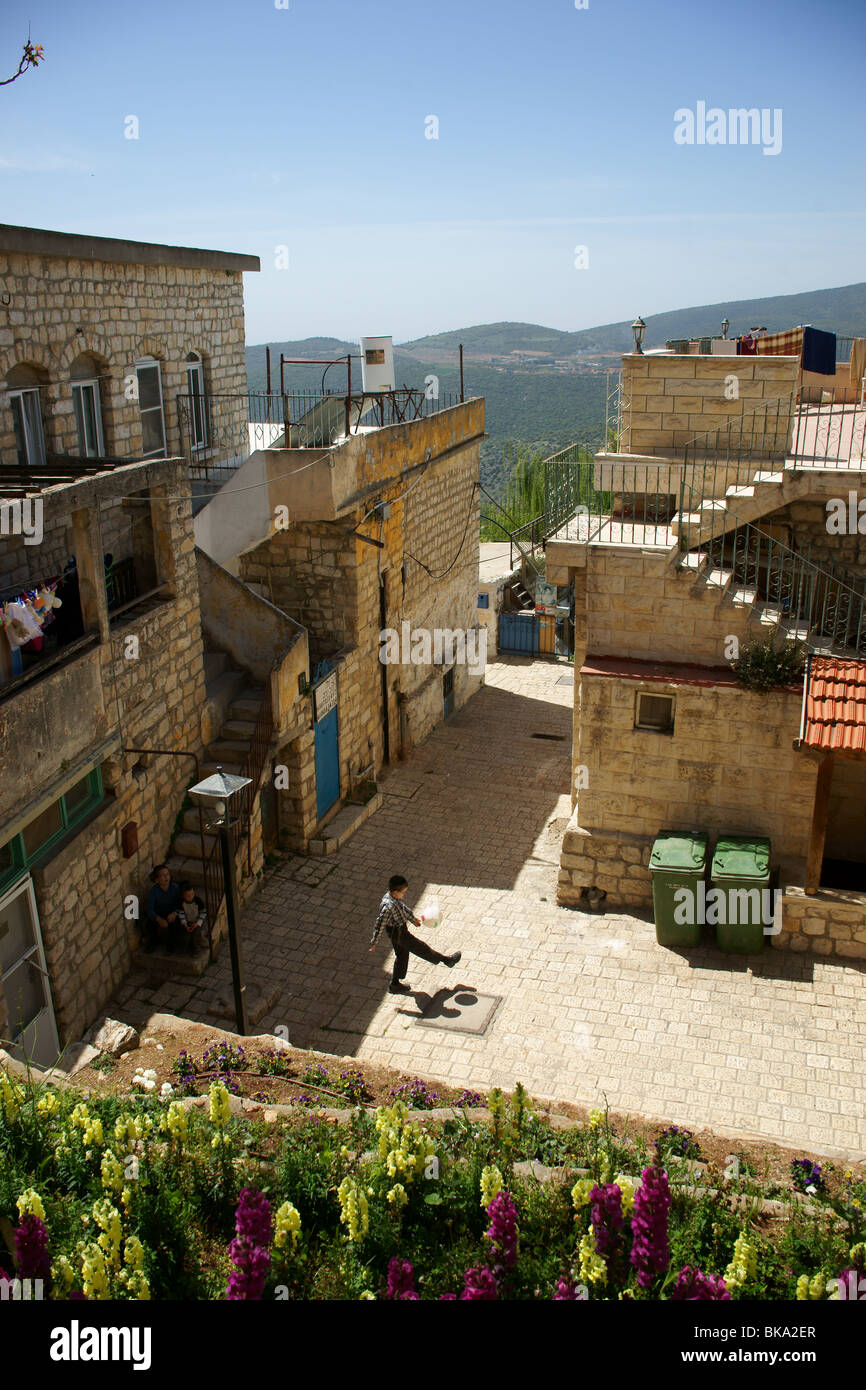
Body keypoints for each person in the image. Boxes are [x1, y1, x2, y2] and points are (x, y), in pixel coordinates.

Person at [369, 874, 460, 994]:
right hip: (399, 934)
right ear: (395, 892)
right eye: (403, 892)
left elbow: (403, 910)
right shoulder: (387, 907)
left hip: (400, 931)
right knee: (422, 948)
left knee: (402, 956)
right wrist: (374, 942)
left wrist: (413, 920)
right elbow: (380, 924)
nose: (404, 894)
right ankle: (447, 960)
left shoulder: (393, 898)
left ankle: (395, 985)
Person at [144, 864, 182, 953]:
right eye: (163, 875)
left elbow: (181, 904)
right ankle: (154, 941)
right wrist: (159, 919)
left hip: (172, 912)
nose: (166, 877)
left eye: (167, 874)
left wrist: (174, 913)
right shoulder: (154, 891)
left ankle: (171, 944)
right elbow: (150, 909)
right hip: (160, 913)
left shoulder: (175, 888)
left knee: (175, 923)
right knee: (149, 924)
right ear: (157, 879)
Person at [177, 881, 208, 955]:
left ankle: (196, 950)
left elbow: (203, 913)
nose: (191, 897)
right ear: (182, 896)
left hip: (197, 922)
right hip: (187, 923)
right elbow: (181, 915)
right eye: (188, 896)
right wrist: (185, 925)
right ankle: (184, 949)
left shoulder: (198, 901)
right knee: (185, 936)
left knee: (195, 934)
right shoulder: (181, 903)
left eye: (192, 894)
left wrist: (197, 924)